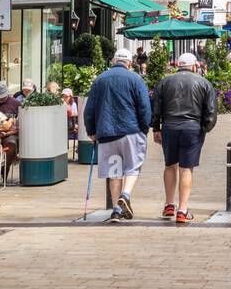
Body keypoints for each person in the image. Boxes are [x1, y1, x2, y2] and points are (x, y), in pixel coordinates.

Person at [83, 48, 152, 222]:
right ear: (129, 63)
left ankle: (116, 210)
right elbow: (144, 106)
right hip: (131, 130)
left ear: (114, 61)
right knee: (133, 167)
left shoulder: (100, 80)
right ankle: (126, 196)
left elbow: (89, 109)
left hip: (107, 133)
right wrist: (144, 127)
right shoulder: (136, 79)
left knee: (114, 172)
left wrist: (91, 130)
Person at [151, 51, 217, 224]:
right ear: (194, 66)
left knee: (170, 164)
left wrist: (156, 128)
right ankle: (183, 209)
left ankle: (169, 204)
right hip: (192, 127)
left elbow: (156, 107)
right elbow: (211, 112)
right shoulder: (204, 83)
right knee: (186, 168)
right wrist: (204, 129)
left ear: (178, 65)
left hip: (170, 126)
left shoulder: (165, 82)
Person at [0, 81, 19, 173]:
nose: (0, 99)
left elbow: (20, 125)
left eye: (2, 96)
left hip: (10, 134)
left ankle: (3, 173)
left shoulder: (16, 104)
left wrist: (7, 132)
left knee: (11, 143)